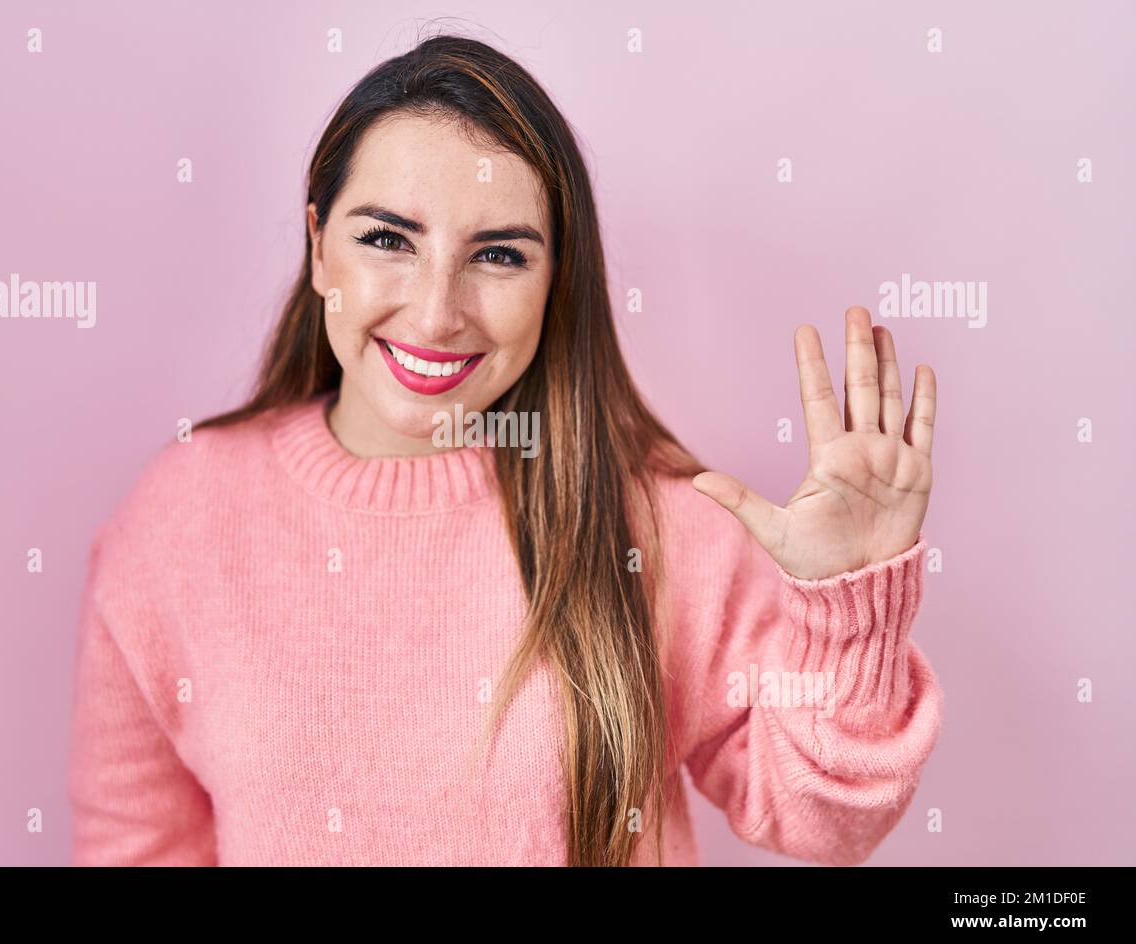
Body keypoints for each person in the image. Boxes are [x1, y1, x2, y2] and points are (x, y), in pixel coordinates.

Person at [68, 33, 941, 867]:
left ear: (555, 282)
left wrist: (849, 611)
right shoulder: (181, 516)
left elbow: (827, 821)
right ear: (319, 248)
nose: (438, 311)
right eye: (386, 239)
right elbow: (134, 849)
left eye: (497, 255)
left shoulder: (659, 521)